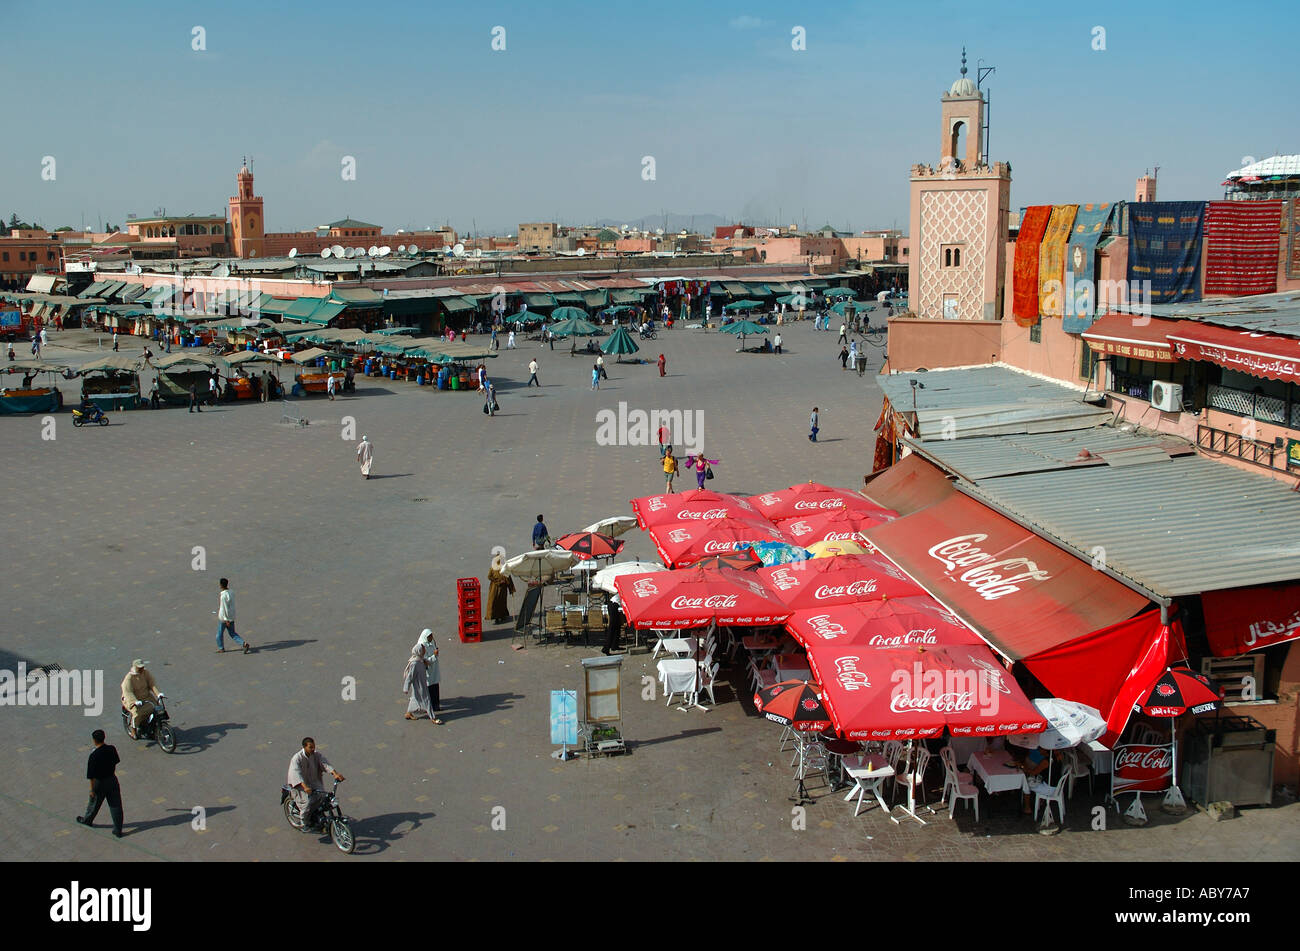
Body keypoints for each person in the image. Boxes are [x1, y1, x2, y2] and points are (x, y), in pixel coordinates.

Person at [287, 738, 344, 830]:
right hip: (301, 785)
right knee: (307, 803)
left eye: (313, 746)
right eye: (310, 747)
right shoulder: (297, 758)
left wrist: (335, 774)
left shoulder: (316, 755)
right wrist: (305, 787)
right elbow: (296, 773)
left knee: (324, 797)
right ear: (304, 747)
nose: (313, 749)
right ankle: (304, 822)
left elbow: (324, 763)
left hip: (314, 782)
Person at [76, 729, 124, 837]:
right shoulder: (111, 749)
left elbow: (91, 776)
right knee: (116, 805)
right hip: (112, 779)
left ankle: (87, 820)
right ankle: (118, 830)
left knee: (94, 804)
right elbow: (115, 762)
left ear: (94, 740)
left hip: (99, 783)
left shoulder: (94, 755)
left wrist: (92, 790)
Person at [120, 659, 163, 740]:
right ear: (135, 667)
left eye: (142, 667)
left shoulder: (145, 673)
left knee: (157, 708)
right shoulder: (129, 678)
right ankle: (133, 731)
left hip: (146, 696)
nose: (142, 669)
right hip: (134, 700)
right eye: (140, 668)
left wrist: (158, 694)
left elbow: (152, 684)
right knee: (137, 714)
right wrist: (135, 701)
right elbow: (128, 692)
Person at [402, 636, 441, 723]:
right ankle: (433, 718)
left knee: (414, 698)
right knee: (427, 700)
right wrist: (406, 688)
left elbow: (429, 662)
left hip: (422, 683)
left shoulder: (421, 660)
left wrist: (434, 655)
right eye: (423, 649)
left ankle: (409, 713)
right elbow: (410, 677)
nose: (424, 650)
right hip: (419, 685)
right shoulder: (415, 663)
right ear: (419, 651)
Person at [216, 577, 252, 653]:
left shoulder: (223, 596)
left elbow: (225, 608)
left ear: (221, 585)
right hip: (231, 616)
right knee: (232, 633)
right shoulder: (231, 592)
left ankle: (221, 648)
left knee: (219, 634)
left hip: (224, 619)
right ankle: (244, 644)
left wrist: (226, 620)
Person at [486, 553, 515, 623]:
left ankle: (501, 616)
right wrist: (498, 582)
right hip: (495, 588)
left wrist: (511, 588)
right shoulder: (495, 568)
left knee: (500, 602)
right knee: (497, 602)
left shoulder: (502, 568)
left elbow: (508, 578)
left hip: (501, 589)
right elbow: (489, 576)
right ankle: (497, 617)